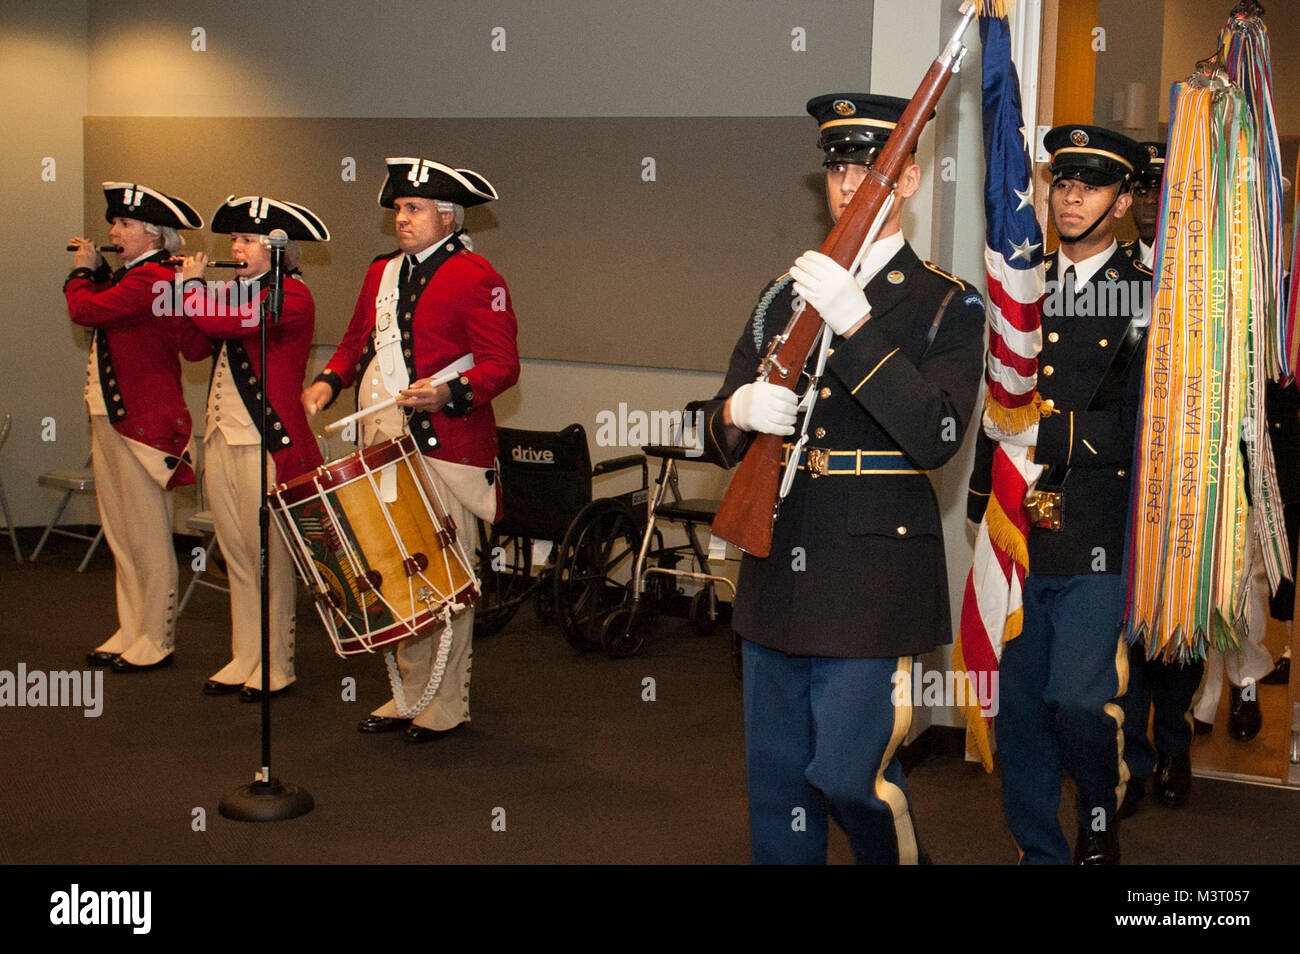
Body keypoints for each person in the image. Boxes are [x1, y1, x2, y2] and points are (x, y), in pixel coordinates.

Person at [696, 94, 986, 864]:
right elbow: (708, 426)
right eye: (841, 170)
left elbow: (939, 435)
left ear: (912, 181)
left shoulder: (946, 305)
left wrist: (856, 326)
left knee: (850, 775)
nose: (853, 186)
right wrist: (738, 408)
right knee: (779, 784)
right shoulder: (781, 294)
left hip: (872, 575)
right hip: (776, 561)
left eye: (874, 170)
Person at [969, 125, 1151, 864]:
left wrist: (1041, 438)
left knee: (1078, 701)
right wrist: (987, 484)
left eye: (1092, 184)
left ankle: (1099, 818)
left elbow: (1143, 432)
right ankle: (1039, 849)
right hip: (1018, 525)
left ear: (1124, 200)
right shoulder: (1022, 284)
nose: (1070, 196)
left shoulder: (1146, 298)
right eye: (1062, 181)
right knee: (1019, 714)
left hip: (1098, 531)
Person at [301, 157, 519, 743]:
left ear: (448, 216)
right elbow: (355, 342)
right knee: (393, 571)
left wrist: (449, 391)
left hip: (443, 445)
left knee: (444, 575)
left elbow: (503, 366)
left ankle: (444, 705)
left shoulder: (478, 277)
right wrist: (329, 379)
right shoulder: (381, 274)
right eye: (399, 208)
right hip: (380, 441)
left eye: (414, 208)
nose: (402, 218)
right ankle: (406, 694)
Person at [179, 195, 330, 700]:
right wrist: (185, 295)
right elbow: (196, 345)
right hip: (222, 436)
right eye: (235, 240)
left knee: (269, 556)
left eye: (246, 240)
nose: (236, 248)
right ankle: (246, 654)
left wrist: (194, 290)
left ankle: (277, 663)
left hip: (268, 442)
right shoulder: (235, 292)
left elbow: (231, 326)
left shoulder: (292, 294)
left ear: (276, 249)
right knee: (237, 553)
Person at [65, 182, 210, 672]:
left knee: (146, 533)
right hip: (112, 416)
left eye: (124, 224)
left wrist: (82, 272)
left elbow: (86, 309)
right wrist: (101, 271)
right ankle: (132, 628)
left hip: (143, 423)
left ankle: (156, 637)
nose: (113, 231)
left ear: (153, 235)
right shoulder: (136, 275)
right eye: (116, 223)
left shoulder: (152, 278)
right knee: (121, 533)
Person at [1116, 141, 1203, 815]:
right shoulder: (1110, 278)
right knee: (1129, 630)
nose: (1149, 202)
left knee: (1176, 624)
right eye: (1140, 191)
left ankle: (1175, 749)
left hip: (1184, 470)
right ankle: (1133, 762)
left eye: (1159, 190)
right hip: (1122, 472)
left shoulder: (1203, 277)